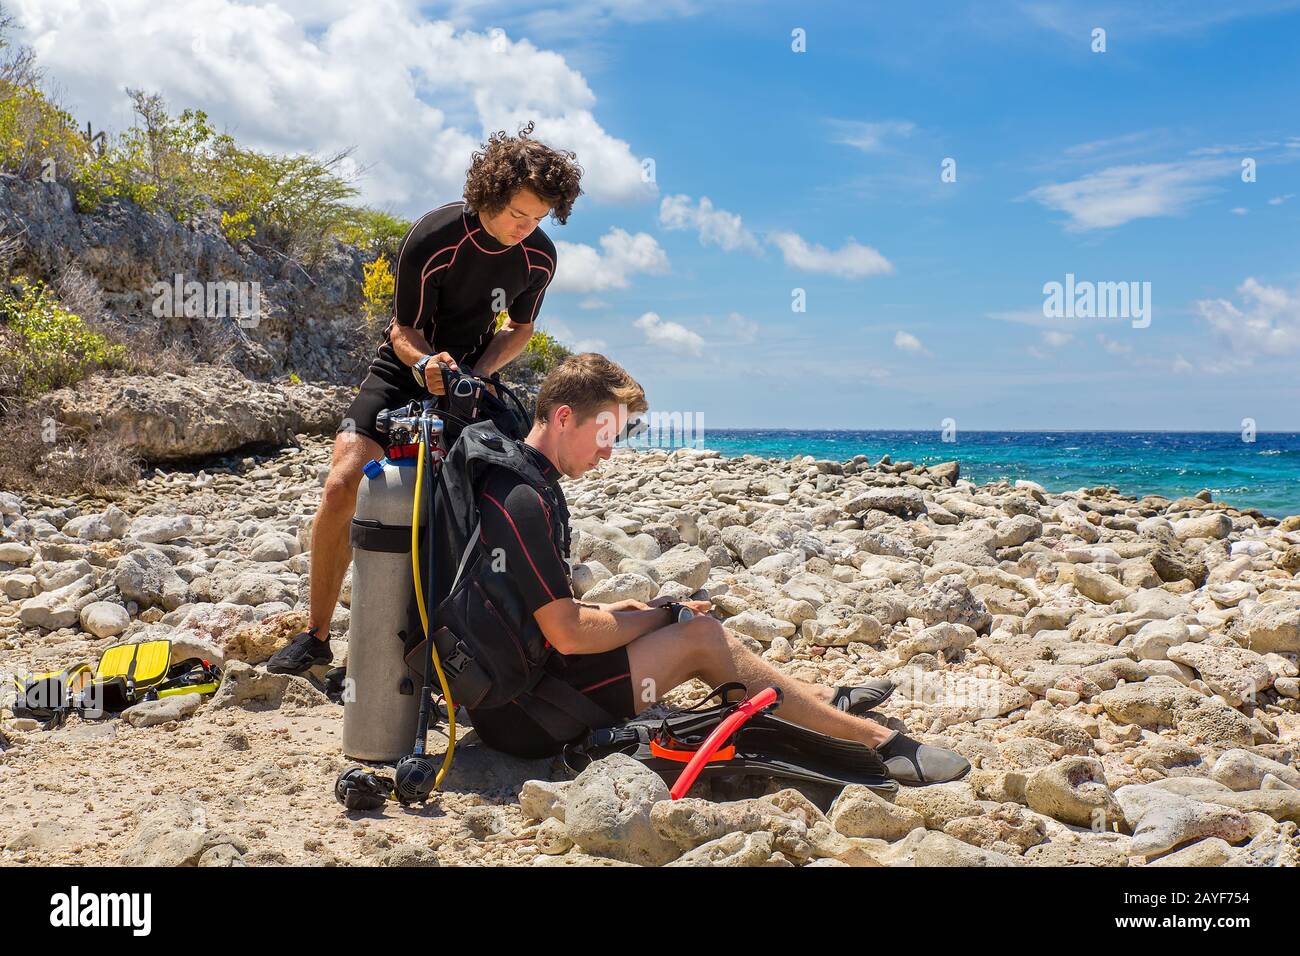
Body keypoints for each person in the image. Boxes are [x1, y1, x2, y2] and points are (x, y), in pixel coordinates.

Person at [462, 353, 970, 786]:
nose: (608, 452)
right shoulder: (523, 497)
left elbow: (535, 604)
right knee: (700, 637)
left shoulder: (524, 481)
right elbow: (569, 635)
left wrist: (626, 610)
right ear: (564, 417)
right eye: (603, 435)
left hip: (523, 685)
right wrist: (659, 620)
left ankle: (813, 699)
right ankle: (877, 742)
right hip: (529, 714)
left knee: (677, 619)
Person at [268, 121, 583, 675]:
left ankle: (462, 649)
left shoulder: (538, 257)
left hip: (470, 378)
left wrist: (477, 372)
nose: (526, 229)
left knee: (469, 509)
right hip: (404, 366)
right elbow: (401, 331)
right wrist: (428, 363)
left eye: (538, 218)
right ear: (490, 194)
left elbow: (521, 329)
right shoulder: (434, 237)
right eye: (518, 214)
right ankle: (316, 635)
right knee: (344, 483)